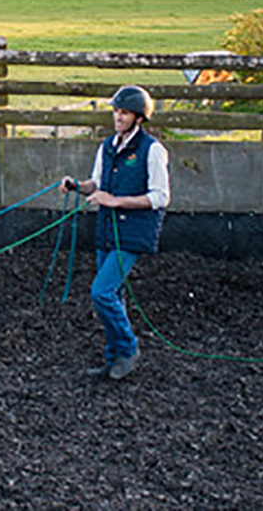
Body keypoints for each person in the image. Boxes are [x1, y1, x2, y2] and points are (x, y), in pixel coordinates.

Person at [62, 85, 170, 381]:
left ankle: (129, 348)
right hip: (107, 230)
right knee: (115, 295)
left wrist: (115, 200)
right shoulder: (107, 146)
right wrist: (76, 185)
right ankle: (113, 360)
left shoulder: (153, 150)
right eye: (116, 112)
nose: (118, 117)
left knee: (101, 292)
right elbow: (96, 184)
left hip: (133, 233)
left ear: (138, 118)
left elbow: (160, 197)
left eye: (124, 113)